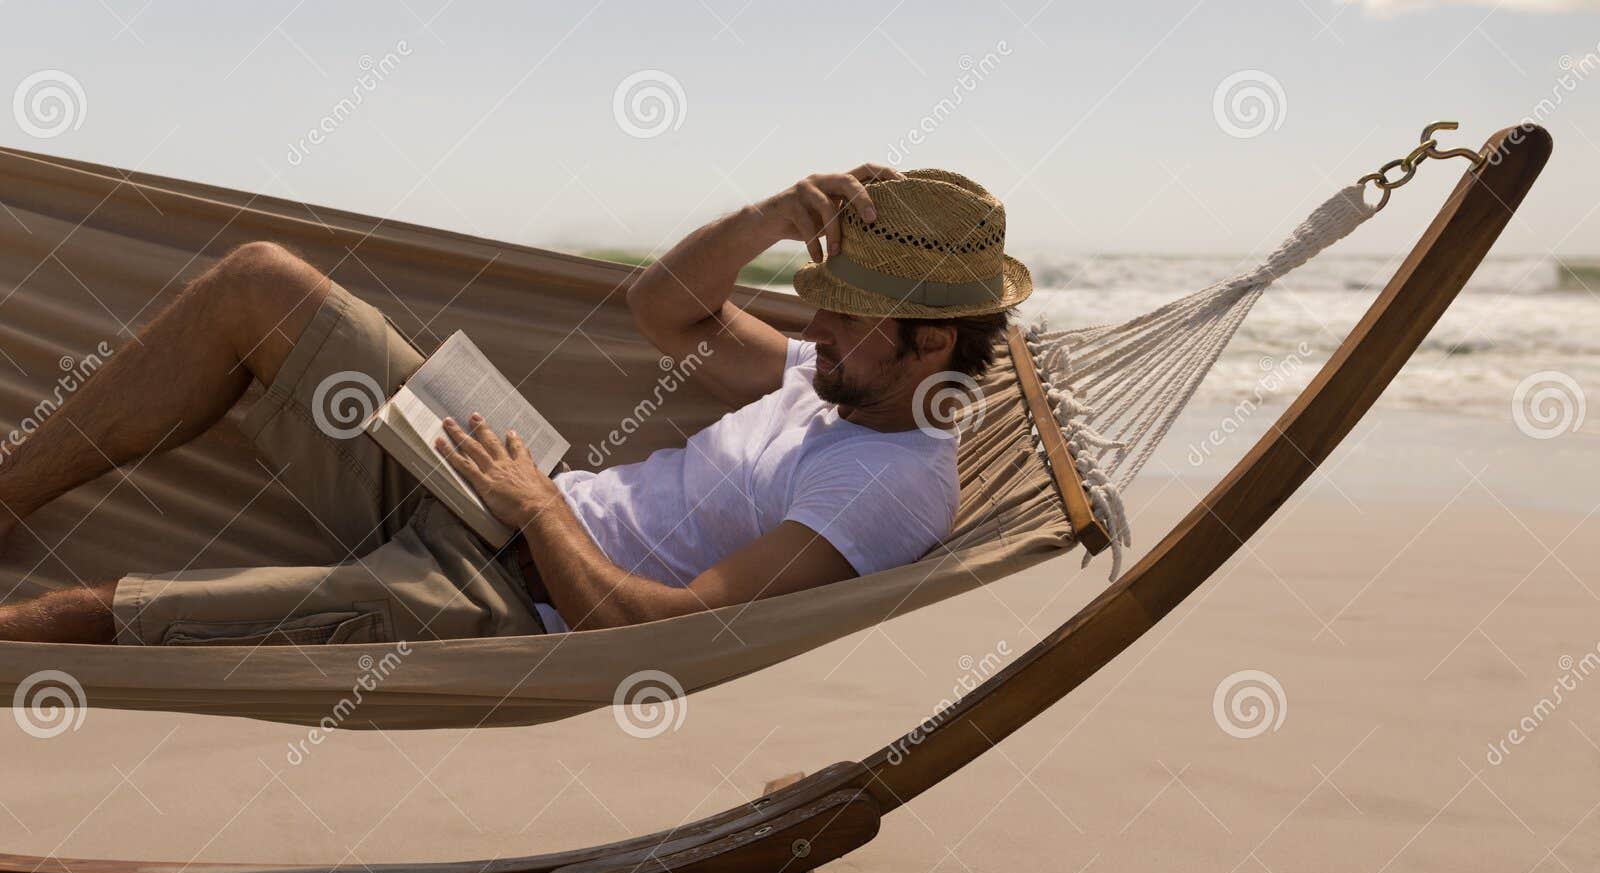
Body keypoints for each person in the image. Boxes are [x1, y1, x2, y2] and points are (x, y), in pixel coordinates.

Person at [0, 164, 1032, 645]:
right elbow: (665, 310)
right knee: (260, 283)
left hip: (517, 594)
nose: (816, 330)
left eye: (845, 317)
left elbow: (651, 633)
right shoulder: (835, 381)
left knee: (113, 618)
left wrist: (537, 510)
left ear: (930, 341)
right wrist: (769, 213)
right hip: (508, 483)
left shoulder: (886, 487)